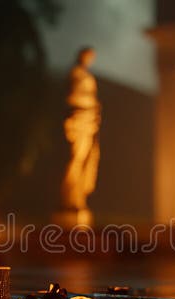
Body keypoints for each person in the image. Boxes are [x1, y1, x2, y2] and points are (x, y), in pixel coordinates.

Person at [60, 47, 101, 212]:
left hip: (88, 121)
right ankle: (69, 197)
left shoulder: (84, 75)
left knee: (85, 159)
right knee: (77, 159)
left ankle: (77, 198)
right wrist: (91, 103)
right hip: (79, 122)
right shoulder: (75, 74)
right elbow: (72, 97)